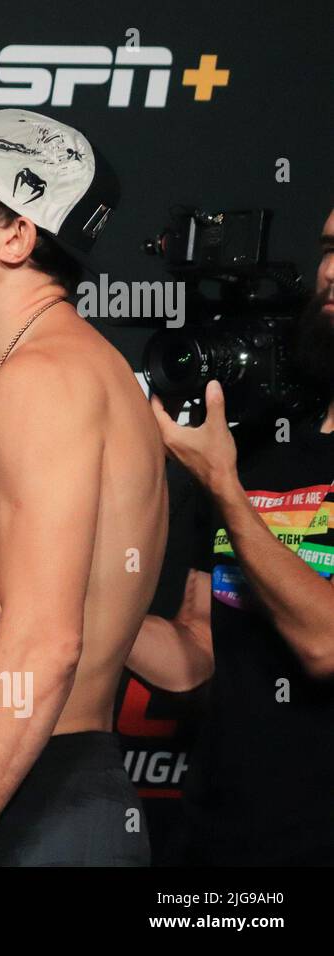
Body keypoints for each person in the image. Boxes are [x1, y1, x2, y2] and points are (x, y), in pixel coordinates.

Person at [0, 109, 167, 865]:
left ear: (17, 238)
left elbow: (47, 643)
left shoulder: (42, 380)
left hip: (29, 811)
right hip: (38, 800)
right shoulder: (76, 370)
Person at [128, 205, 334, 864]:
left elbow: (326, 643)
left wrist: (223, 488)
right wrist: (75, 601)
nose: (332, 271)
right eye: (329, 249)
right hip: (215, 841)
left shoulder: (225, 473)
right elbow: (198, 652)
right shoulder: (252, 454)